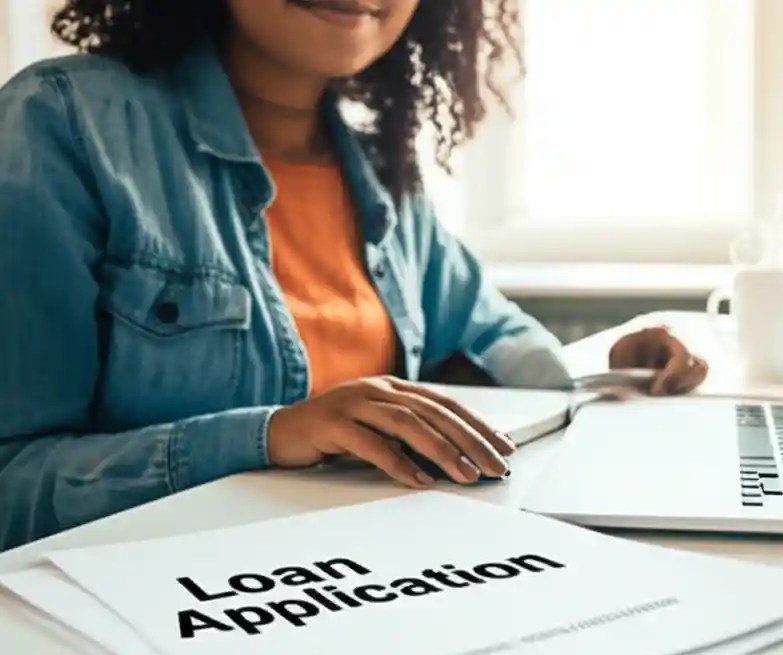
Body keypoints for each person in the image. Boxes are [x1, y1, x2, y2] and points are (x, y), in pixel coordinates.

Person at [0, 0, 709, 550]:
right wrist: (271, 435)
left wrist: (612, 367)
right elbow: (12, 486)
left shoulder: (383, 178)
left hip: (366, 592)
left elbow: (499, 341)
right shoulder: (65, 123)